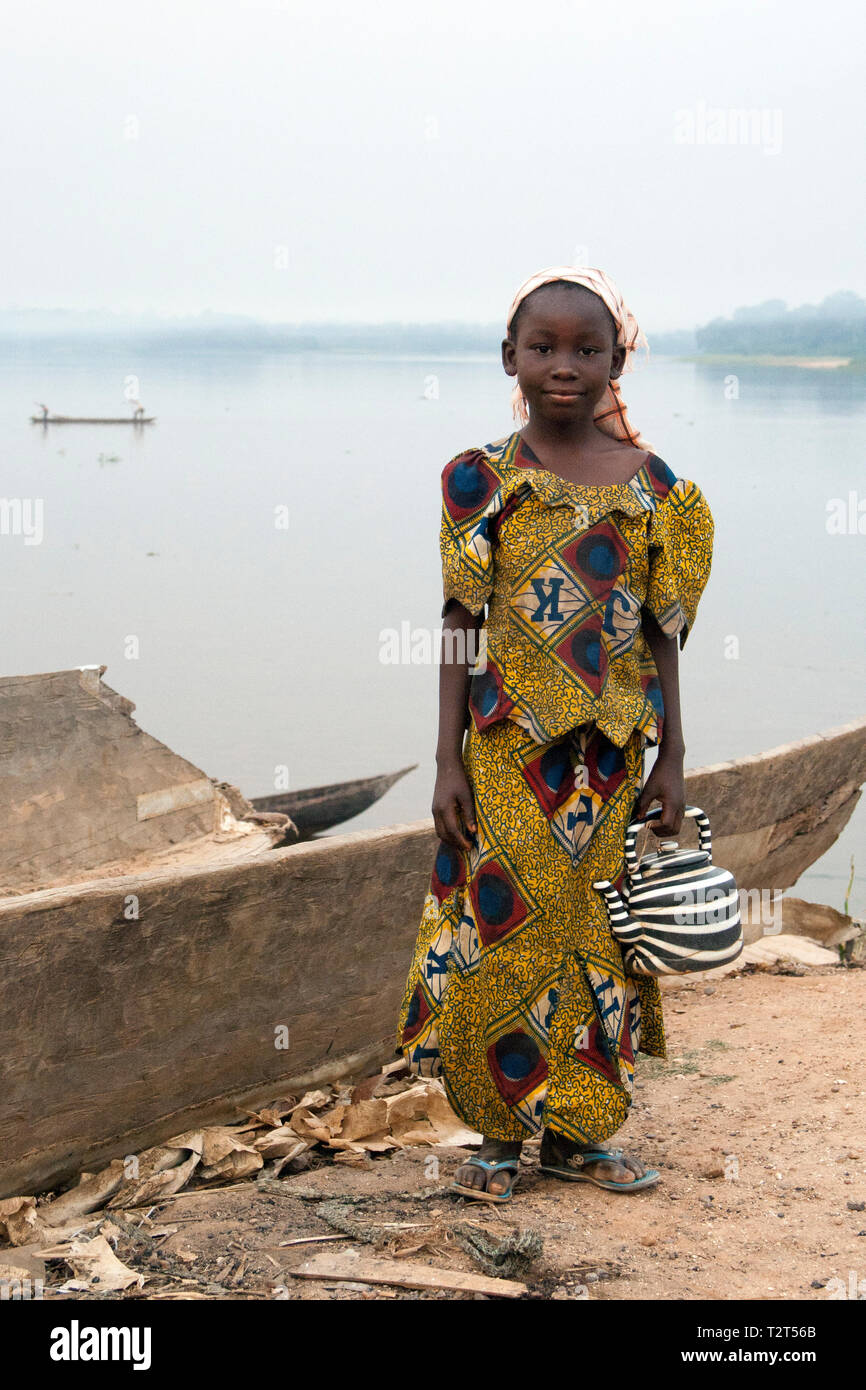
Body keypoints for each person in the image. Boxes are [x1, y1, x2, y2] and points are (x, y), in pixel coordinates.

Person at [396, 266, 714, 1202]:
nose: (564, 365)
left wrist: (677, 758)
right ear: (511, 359)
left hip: (613, 760)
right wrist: (448, 758)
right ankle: (497, 1137)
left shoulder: (660, 491)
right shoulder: (481, 479)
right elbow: (461, 623)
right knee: (500, 933)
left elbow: (662, 634)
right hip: (504, 755)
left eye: (586, 349)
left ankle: (578, 1133)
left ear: (618, 361)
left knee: (601, 943)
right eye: (544, 348)